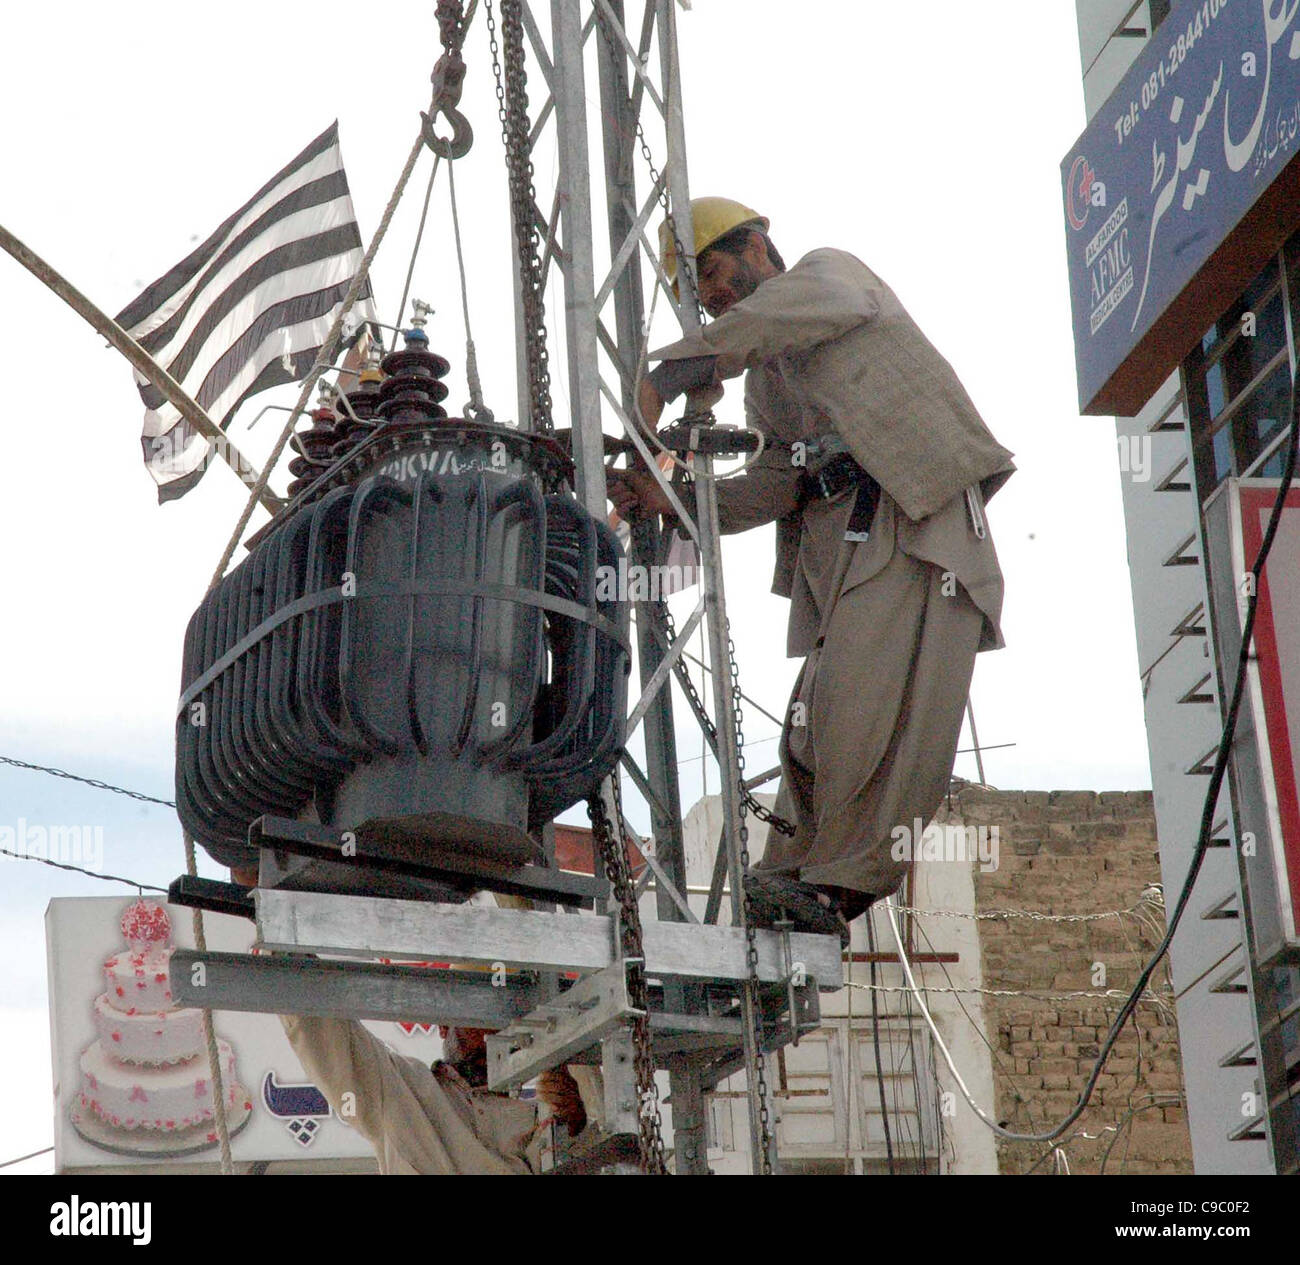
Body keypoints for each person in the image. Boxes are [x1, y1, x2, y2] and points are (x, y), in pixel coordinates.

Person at [608, 197, 1015, 940]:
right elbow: (772, 486)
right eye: (698, 291)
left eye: (715, 271)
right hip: (849, 550)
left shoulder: (830, 275)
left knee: (856, 714)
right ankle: (793, 884)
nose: (714, 294)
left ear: (759, 246)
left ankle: (835, 887)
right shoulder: (771, 379)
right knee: (813, 729)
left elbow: (786, 318)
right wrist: (666, 502)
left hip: (911, 518)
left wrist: (676, 374)